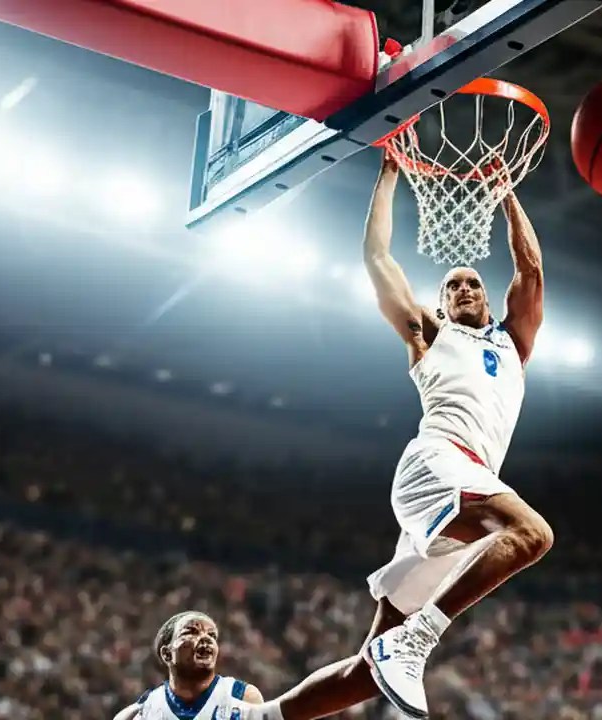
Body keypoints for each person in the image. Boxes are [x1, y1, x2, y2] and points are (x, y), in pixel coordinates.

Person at [236, 151, 554, 720]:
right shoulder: (428, 336)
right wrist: (387, 177)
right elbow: (377, 257)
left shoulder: (513, 345)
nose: (463, 288)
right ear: (438, 304)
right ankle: (420, 640)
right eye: (452, 285)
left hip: (469, 483)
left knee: (369, 669)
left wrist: (507, 193)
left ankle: (261, 717)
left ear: (486, 297)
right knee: (532, 534)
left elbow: (530, 270)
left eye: (473, 283)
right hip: (437, 463)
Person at [112, 611, 264, 720]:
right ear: (167, 654)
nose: (205, 638)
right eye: (191, 632)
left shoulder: (242, 696)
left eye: (212, 635)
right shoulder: (142, 712)